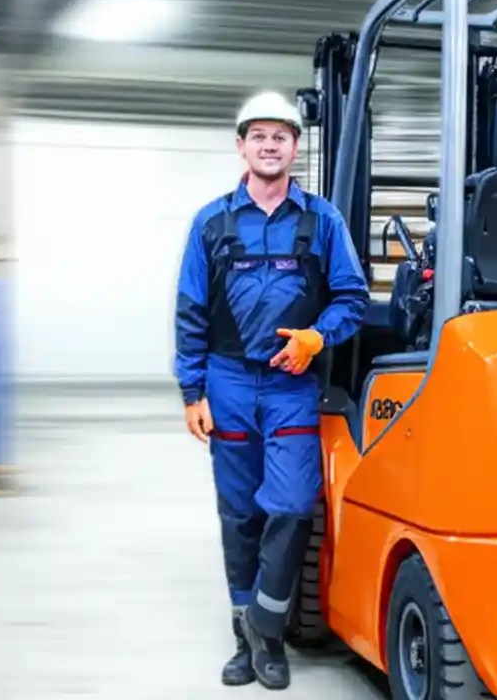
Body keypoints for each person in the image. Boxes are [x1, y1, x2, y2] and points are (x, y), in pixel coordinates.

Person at [173, 90, 369, 690]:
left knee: (289, 504)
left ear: (295, 147)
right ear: (241, 146)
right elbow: (190, 311)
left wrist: (316, 337)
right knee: (239, 514)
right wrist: (191, 391)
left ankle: (267, 625)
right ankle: (248, 640)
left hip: (289, 386)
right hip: (229, 381)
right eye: (258, 136)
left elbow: (352, 297)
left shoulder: (322, 220)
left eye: (279, 136)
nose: (269, 145)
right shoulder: (211, 222)